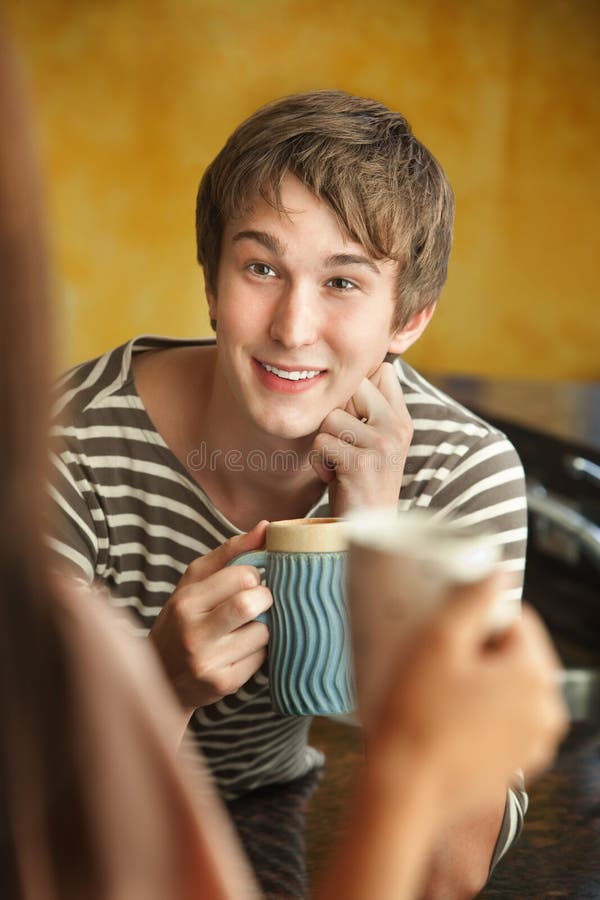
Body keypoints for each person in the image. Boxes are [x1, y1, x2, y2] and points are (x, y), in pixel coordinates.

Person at [0, 27, 568, 899]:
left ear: (407, 319)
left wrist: (384, 546)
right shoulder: (69, 442)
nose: (293, 327)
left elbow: (446, 876)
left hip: (283, 792)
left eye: (343, 282)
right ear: (210, 281)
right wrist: (158, 683)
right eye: (261, 266)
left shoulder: (459, 471)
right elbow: (33, 814)